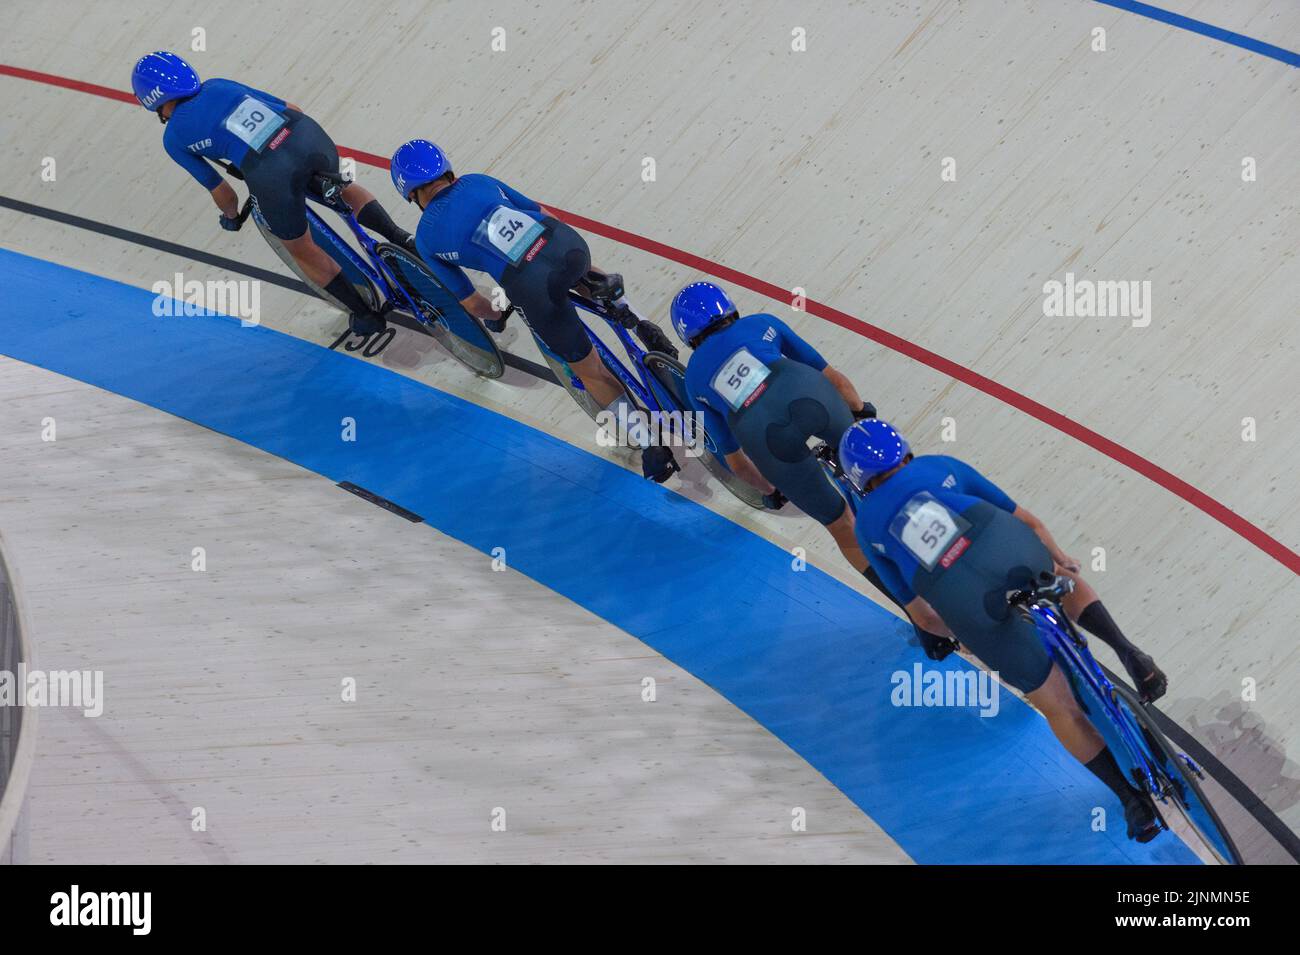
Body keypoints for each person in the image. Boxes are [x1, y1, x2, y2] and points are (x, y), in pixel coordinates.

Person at [838, 417, 1169, 841]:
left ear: (860, 480)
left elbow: (922, 615)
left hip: (963, 597)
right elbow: (1027, 521)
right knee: (1056, 574)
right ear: (904, 451)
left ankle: (1133, 802)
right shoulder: (940, 464)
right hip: (1008, 547)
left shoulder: (866, 526)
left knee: (1057, 705)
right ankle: (1131, 654)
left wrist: (970, 634)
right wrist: (1059, 559)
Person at [670, 281, 954, 656]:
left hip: (767, 438)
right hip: (809, 395)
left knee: (841, 525)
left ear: (687, 335)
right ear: (729, 309)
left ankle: (921, 618)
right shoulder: (762, 323)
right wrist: (859, 412)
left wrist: (771, 490)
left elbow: (736, 462)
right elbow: (833, 378)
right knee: (886, 472)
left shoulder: (693, 380)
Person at [388, 138, 678, 482]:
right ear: (447, 170)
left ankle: (651, 446)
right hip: (566, 245)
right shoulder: (479, 180)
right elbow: (541, 213)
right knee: (585, 273)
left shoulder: (426, 239)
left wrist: (496, 316)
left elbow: (471, 303)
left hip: (533, 287)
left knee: (589, 370)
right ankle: (635, 317)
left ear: (409, 193)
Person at [131, 51, 409, 336]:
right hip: (309, 137)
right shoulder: (218, 85)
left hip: (273, 175)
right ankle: (399, 237)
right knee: (344, 188)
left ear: (155, 102)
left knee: (300, 249)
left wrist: (230, 218)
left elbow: (224, 193)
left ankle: (364, 315)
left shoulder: (174, 138)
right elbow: (293, 107)